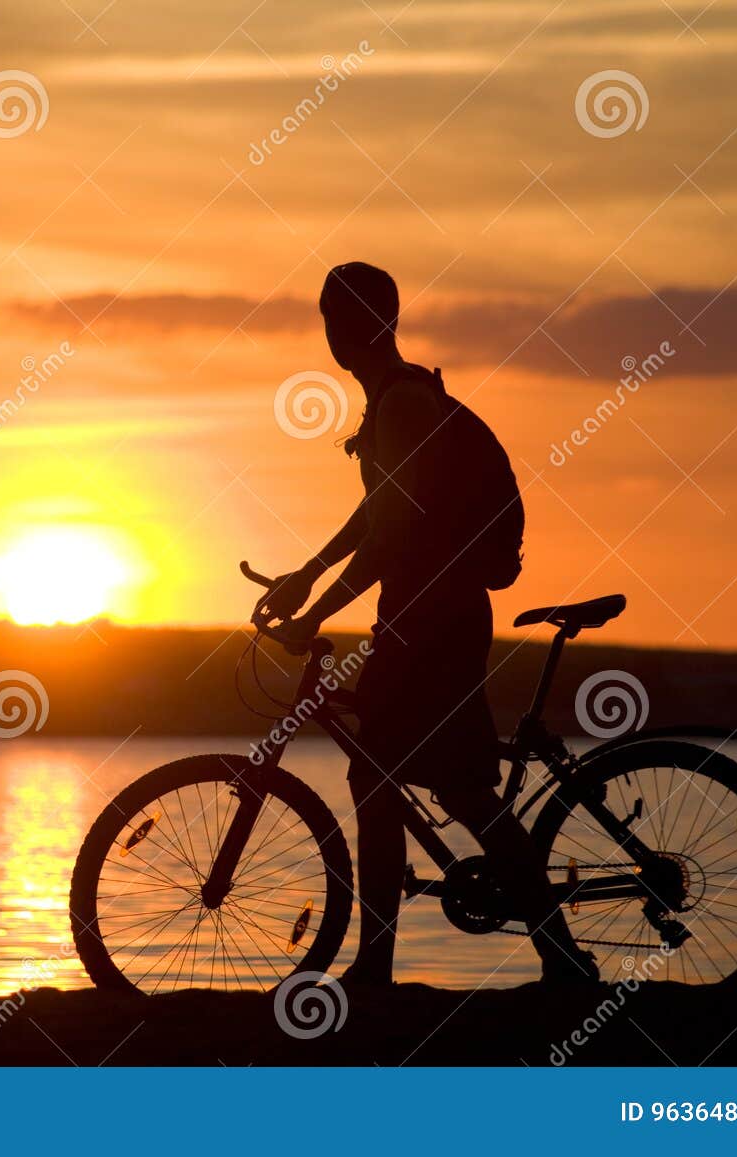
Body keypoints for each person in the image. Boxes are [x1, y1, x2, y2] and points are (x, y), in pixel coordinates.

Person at [260, 261, 599, 986]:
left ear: (376, 322)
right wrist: (309, 571)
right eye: (332, 318)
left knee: (449, 789)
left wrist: (316, 608)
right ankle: (389, 963)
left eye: (347, 318)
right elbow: (379, 512)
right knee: (386, 777)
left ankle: (548, 959)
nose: (338, 332)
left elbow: (392, 532)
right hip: (416, 614)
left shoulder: (403, 403)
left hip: (435, 620)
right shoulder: (391, 401)